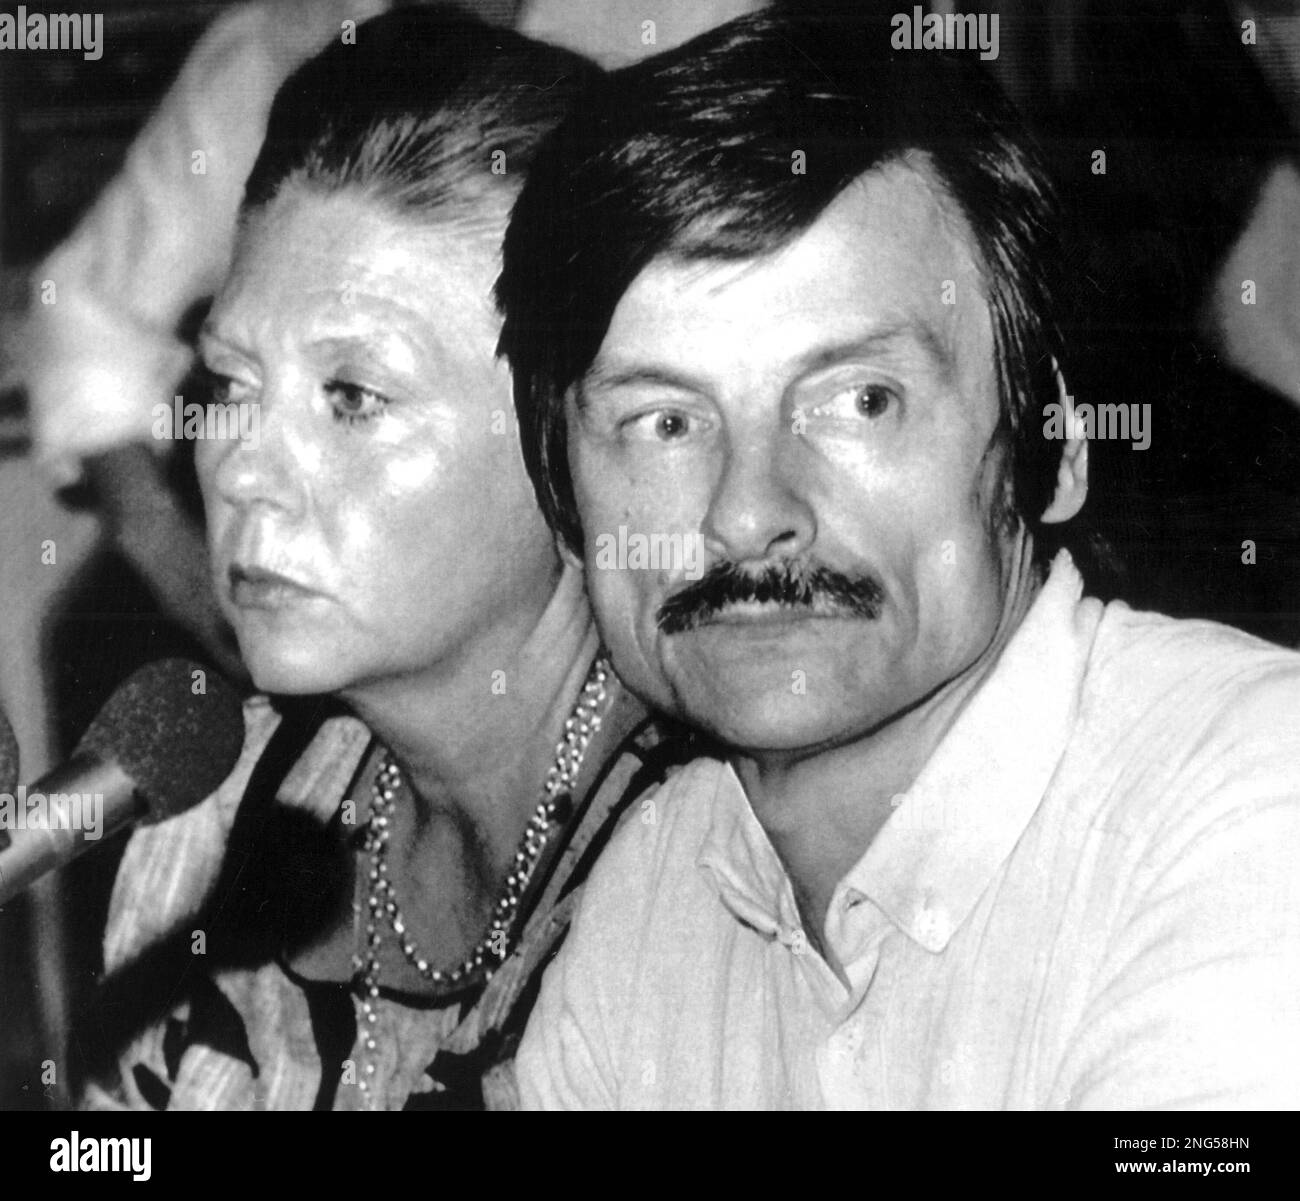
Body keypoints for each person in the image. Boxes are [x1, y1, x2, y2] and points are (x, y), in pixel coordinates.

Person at [497, 10, 1300, 1108]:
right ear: (565, 504)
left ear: (1052, 447)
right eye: (663, 422)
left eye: (859, 401)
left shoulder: (1249, 800)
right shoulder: (656, 896)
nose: (746, 517)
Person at [73, 8, 692, 1111]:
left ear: (575, 430)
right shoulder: (209, 813)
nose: (238, 471)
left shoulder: (714, 881)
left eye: (352, 395)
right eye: (228, 386)